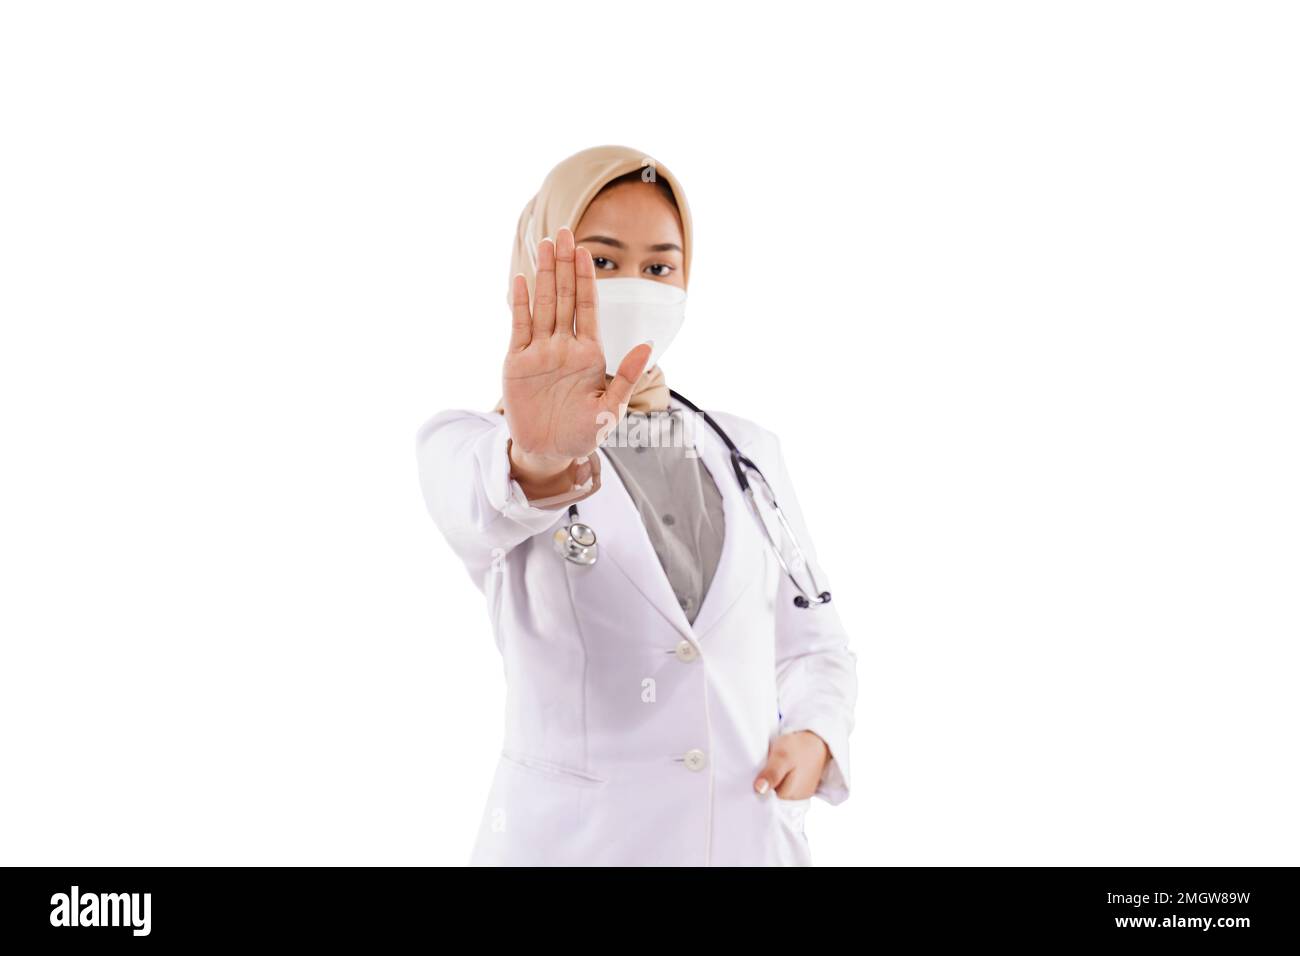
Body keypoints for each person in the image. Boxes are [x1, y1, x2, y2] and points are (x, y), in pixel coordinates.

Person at [415, 145, 857, 866]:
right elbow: (488, 506)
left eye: (659, 267)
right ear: (541, 268)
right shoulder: (474, 447)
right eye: (600, 262)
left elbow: (814, 644)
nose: (634, 285)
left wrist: (815, 734)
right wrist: (542, 453)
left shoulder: (746, 450)